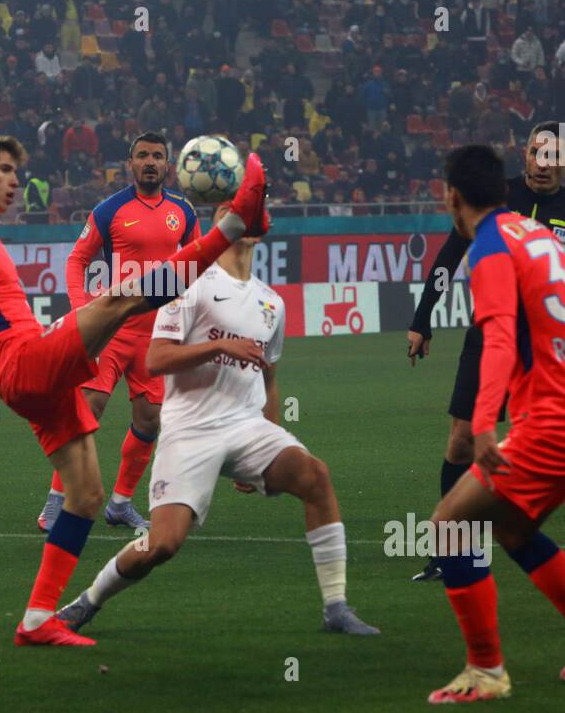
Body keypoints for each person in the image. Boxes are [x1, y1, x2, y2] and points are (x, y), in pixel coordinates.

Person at [0, 135, 268, 646]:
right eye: (5, 171)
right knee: (123, 300)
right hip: (22, 360)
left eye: (18, 171)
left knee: (85, 497)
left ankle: (38, 621)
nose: (16, 180)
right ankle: (233, 227)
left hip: (29, 379)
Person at [57, 203, 379, 636]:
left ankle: (336, 607)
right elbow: (156, 358)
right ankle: (87, 601)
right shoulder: (189, 285)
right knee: (163, 545)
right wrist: (217, 348)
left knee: (316, 477)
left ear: (261, 232)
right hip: (190, 431)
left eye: (252, 214)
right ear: (219, 224)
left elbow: (270, 380)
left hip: (247, 427)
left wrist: (271, 436)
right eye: (235, 211)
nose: (245, 219)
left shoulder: (272, 302)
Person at [423, 145, 565, 703]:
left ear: (453, 196)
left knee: (448, 525)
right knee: (513, 530)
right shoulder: (533, 234)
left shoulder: (489, 247)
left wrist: (484, 423)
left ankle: (486, 670)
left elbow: (497, 338)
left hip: (556, 423)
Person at [406, 122, 565, 579]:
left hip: (552, 352)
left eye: (553, 156)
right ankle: (452, 551)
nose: (543, 164)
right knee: (461, 441)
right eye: (536, 153)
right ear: (525, 154)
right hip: (490, 337)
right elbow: (450, 256)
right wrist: (422, 317)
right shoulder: (497, 197)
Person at [35, 133, 199, 533]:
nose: (150, 162)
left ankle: (121, 504)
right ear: (129, 164)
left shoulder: (185, 212)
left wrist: (192, 310)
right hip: (112, 330)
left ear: (168, 166)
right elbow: (77, 260)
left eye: (157, 156)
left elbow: (197, 263)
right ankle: (57, 502)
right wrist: (82, 309)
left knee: (150, 419)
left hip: (157, 333)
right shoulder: (110, 210)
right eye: (142, 155)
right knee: (87, 409)